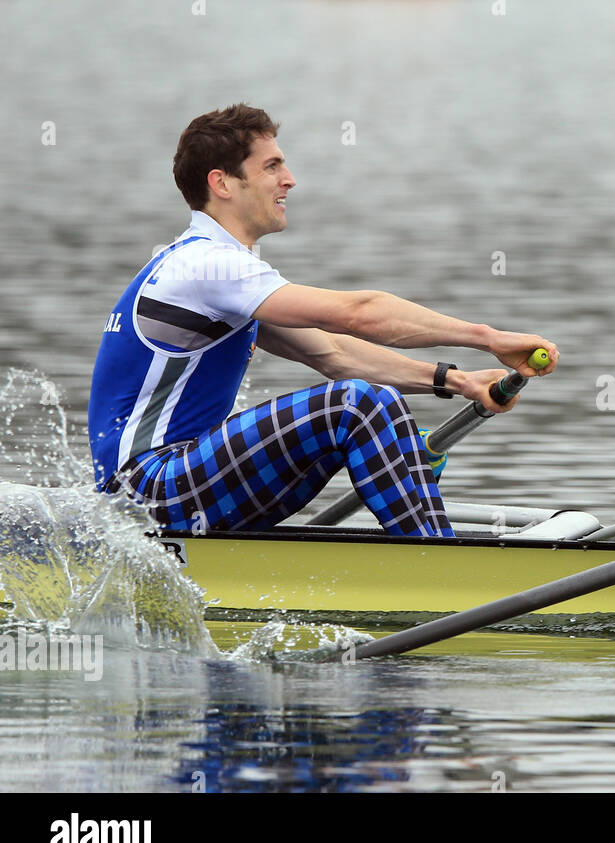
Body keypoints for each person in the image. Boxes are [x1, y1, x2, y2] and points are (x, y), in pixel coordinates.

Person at [88, 104, 557, 538]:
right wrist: (488, 338)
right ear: (223, 183)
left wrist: (457, 382)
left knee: (371, 412)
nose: (289, 180)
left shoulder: (215, 273)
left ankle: (422, 549)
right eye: (271, 166)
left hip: (166, 490)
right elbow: (359, 315)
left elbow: (332, 353)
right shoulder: (209, 266)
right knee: (358, 406)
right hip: (146, 490)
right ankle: (443, 568)